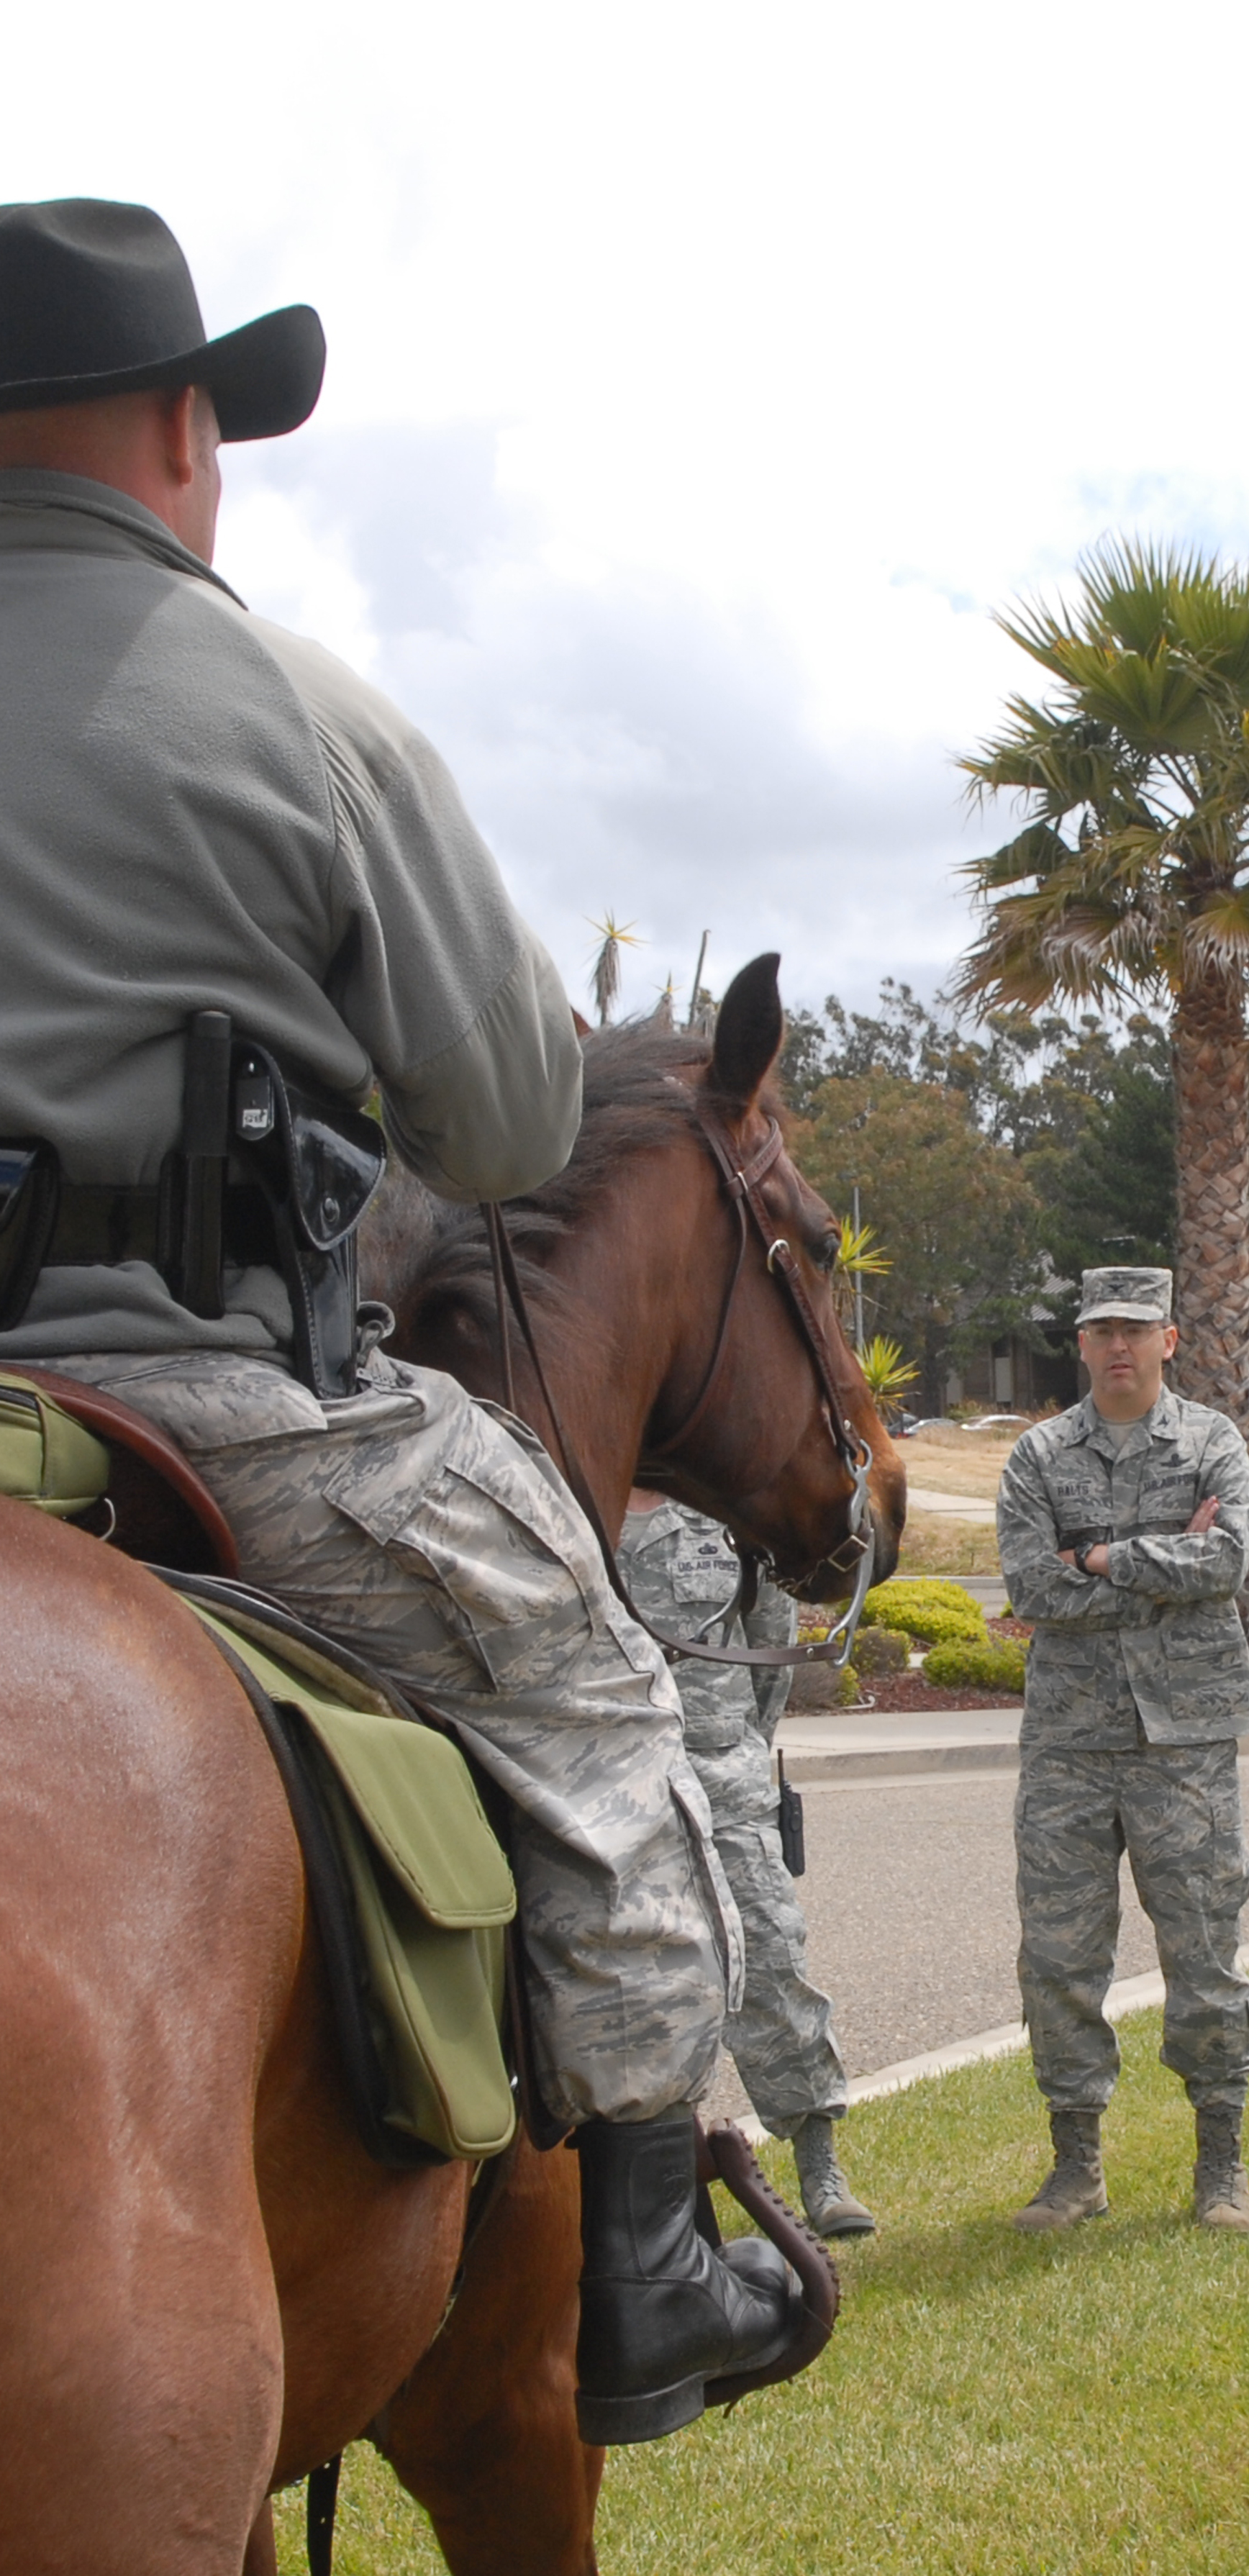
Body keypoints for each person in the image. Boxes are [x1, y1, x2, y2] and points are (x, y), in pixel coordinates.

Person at [0, 196, 799, 2445]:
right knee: (586, 1677)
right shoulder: (300, 709)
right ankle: (641, 2261)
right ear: (179, 426)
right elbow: (515, 1108)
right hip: (207, 1403)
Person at [995, 1266, 1249, 2231]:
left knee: (1205, 1951)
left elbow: (1228, 1560)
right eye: (1102, 1327)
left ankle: (1221, 2165)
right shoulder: (1036, 1456)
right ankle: (1076, 2167)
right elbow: (1032, 1589)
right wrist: (1165, 1562)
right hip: (1068, 1745)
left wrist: (1103, 1555)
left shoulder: (1211, 1441)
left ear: (1169, 1340)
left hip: (1185, 1743)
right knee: (1060, 1957)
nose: (1119, 1345)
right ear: (1080, 1342)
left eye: (1136, 1328)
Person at [618, 1492, 877, 2238]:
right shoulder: (579, 1501)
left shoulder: (723, 1517)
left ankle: (821, 2167)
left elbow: (770, 1653)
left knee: (772, 1958)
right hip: (621, 1782)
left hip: (724, 1778)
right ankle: (656, 2184)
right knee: (638, 1988)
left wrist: (733, 1755)